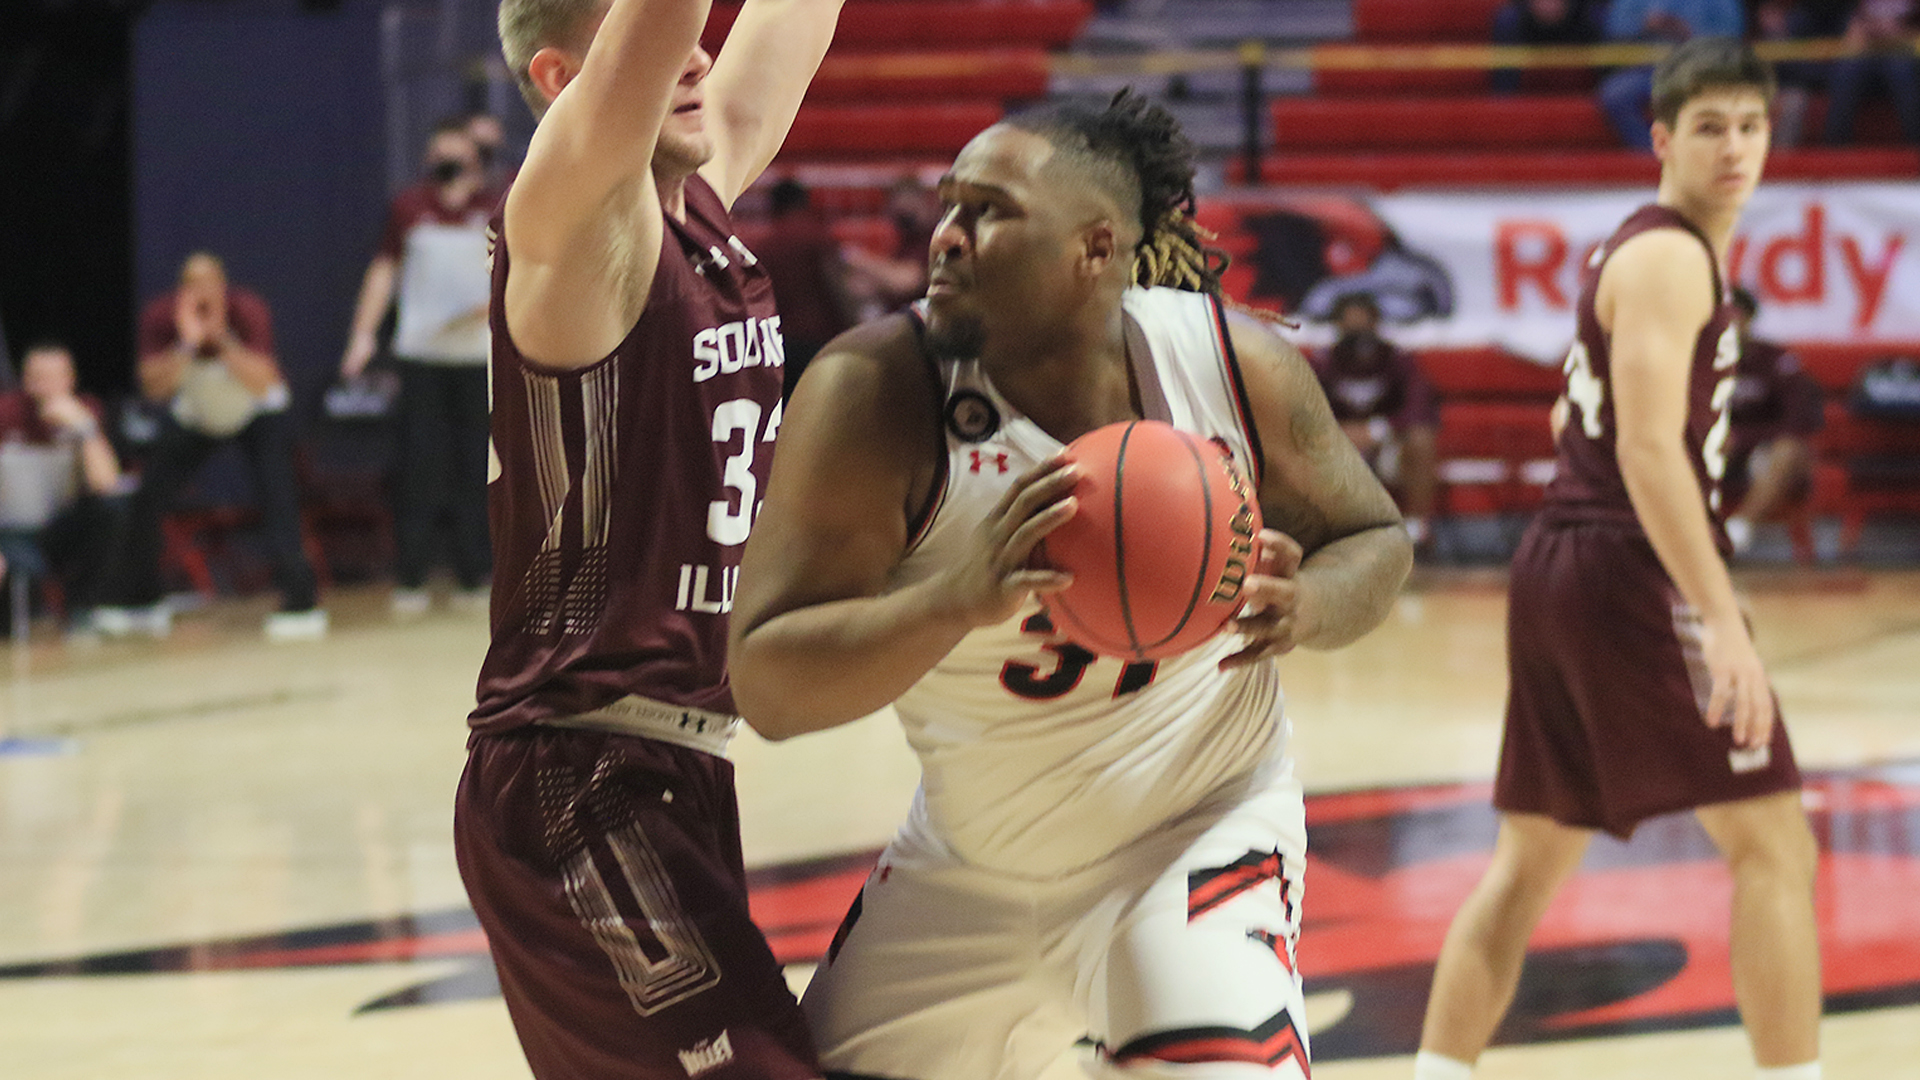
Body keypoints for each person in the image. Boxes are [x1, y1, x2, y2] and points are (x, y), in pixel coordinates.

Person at [728, 90, 1413, 1080]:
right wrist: (954, 600)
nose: (946, 238)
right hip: (969, 869)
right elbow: (768, 688)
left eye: (989, 211)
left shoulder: (1229, 365)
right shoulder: (871, 394)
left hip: (1194, 831)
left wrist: (1307, 606)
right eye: (947, 205)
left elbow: (1376, 536)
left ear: (1095, 249)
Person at [1413, 39, 1822, 1080]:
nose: (1734, 149)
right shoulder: (1669, 255)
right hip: (1619, 561)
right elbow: (1643, 450)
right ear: (1662, 139)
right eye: (1709, 128)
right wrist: (1720, 615)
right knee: (1774, 849)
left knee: (1530, 861)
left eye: (1750, 126)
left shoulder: (1639, 252)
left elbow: (1574, 410)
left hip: (1565, 558)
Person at [451, 0, 843, 1076]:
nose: (700, 52)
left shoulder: (701, 209)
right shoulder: (576, 220)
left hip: (675, 765)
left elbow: (792, 22)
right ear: (558, 76)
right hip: (576, 773)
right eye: (669, 44)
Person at [99, 252, 327, 641]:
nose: (201, 291)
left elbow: (264, 380)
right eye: (191, 282)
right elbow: (154, 387)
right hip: (197, 416)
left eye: (209, 282)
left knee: (278, 498)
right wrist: (187, 345)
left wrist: (220, 340)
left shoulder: (247, 310)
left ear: (223, 284)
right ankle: (139, 601)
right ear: (181, 288)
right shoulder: (161, 316)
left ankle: (300, 603)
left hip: (255, 412)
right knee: (148, 497)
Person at [341, 117, 498, 616]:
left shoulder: (495, 206)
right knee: (420, 466)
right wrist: (362, 335)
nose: (447, 168)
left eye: (457, 158)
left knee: (478, 467)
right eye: (439, 159)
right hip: (422, 355)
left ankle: (477, 573)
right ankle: (411, 574)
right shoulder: (409, 208)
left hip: (478, 357)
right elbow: (384, 271)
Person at [0, 341, 123, 637]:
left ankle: (82, 610)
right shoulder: (7, 413)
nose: (46, 386)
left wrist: (85, 429)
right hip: (11, 532)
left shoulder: (86, 411)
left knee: (112, 511)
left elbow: (107, 483)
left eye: (56, 377)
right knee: (18, 602)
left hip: (59, 525)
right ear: (26, 380)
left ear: (71, 379)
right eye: (38, 377)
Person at [1314, 291, 1441, 550]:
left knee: (1421, 439)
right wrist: (1340, 432)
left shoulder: (1399, 361)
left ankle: (1416, 530)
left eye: (1364, 327)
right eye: (1351, 328)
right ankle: (1325, 534)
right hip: (1338, 447)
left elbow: (1420, 409)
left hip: (1388, 446)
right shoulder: (1323, 364)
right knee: (1307, 446)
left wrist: (1378, 430)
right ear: (1337, 327)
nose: (1359, 337)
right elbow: (1307, 412)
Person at [1722, 286, 1825, 553]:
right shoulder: (1701, 362)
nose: (1725, 322)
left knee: (1786, 450)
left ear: (1747, 318)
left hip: (1768, 451)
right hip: (1722, 451)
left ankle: (1739, 529)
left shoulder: (1775, 360)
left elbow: (1802, 418)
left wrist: (1743, 439)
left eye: (1732, 314)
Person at [754, 177, 856, 397]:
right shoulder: (818, 237)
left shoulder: (764, 247)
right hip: (820, 344)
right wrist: (853, 325)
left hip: (781, 345)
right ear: (804, 203)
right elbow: (837, 286)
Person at [1597, 0, 1745, 149]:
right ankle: (1653, 154)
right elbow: (1614, 27)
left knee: (1717, 93)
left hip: (1701, 69)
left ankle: (1702, 151)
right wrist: (1645, 24)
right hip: (1646, 70)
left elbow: (1731, 34)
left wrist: (1686, 30)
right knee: (1615, 94)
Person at [1821, 0, 1920, 146]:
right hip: (1866, 49)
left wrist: (1903, 31)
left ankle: (1914, 148)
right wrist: (1863, 26)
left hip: (1905, 50)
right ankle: (1835, 151)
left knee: (1901, 72)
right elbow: (1850, 20)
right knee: (1845, 71)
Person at [1488, 0, 1602, 95]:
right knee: (1507, 20)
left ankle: (1604, 91)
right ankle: (1504, 100)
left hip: (1578, 13)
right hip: (1528, 16)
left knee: (1600, 17)